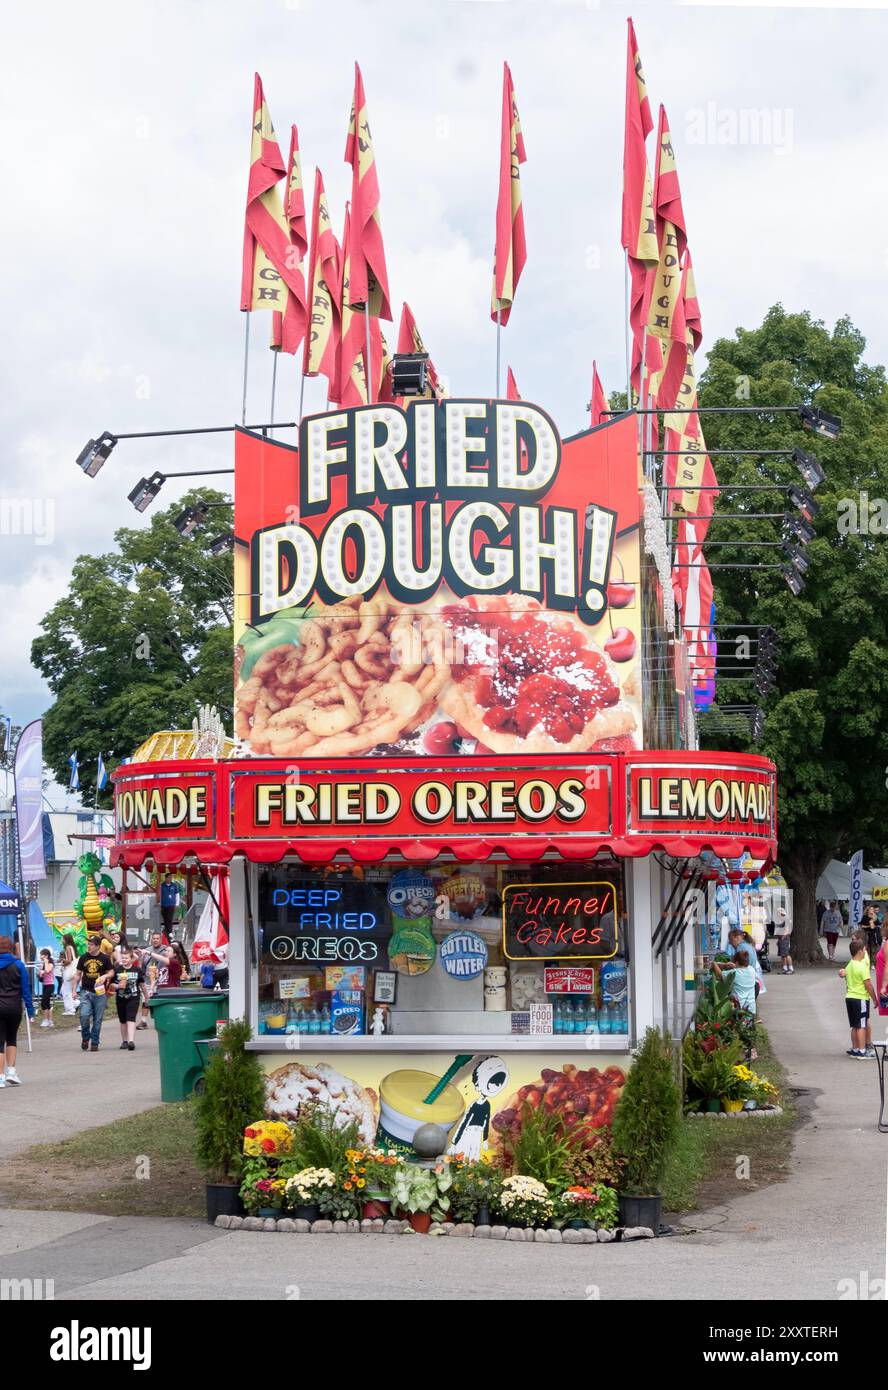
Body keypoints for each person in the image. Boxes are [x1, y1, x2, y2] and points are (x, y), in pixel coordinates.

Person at [0, 934, 34, 1086]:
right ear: (11, 947)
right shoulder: (19, 965)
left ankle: (0, 1077)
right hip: (14, 1007)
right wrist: (30, 1010)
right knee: (11, 1039)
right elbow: (26, 990)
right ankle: (11, 1071)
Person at [75, 935, 115, 1052]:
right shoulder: (83, 957)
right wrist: (74, 989)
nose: (89, 946)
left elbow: (111, 972)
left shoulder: (105, 958)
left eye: (91, 944)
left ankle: (95, 1041)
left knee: (98, 1019)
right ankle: (85, 1037)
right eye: (89, 944)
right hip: (85, 990)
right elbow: (78, 974)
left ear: (98, 946)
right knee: (84, 1015)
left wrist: (105, 976)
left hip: (100, 992)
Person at [112, 947, 147, 1051]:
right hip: (121, 997)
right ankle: (124, 1041)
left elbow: (142, 985)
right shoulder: (117, 970)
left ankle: (131, 1041)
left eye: (126, 958)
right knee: (123, 1020)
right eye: (123, 958)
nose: (124, 960)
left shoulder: (136, 970)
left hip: (134, 997)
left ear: (131, 958)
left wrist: (147, 997)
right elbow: (111, 985)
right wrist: (117, 986)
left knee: (130, 1019)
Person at [60, 933, 78, 1014]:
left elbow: (69, 960)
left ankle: (70, 1009)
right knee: (66, 989)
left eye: (62, 939)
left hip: (69, 971)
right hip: (74, 971)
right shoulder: (72, 947)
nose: (62, 940)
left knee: (66, 990)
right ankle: (75, 1003)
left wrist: (63, 962)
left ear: (66, 940)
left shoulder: (67, 947)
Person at [38, 949, 56, 1027]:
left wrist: (46, 962)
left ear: (46, 956)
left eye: (42, 954)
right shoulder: (42, 964)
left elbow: (48, 970)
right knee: (46, 1003)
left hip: (50, 985)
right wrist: (40, 974)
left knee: (44, 1002)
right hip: (45, 985)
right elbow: (41, 975)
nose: (40, 956)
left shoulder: (50, 963)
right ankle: (49, 1021)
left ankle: (46, 1020)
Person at [774, 909, 793, 975]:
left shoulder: (786, 919)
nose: (777, 914)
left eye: (778, 913)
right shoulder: (782, 919)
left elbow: (787, 929)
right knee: (783, 955)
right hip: (781, 938)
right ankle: (784, 968)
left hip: (784, 938)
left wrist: (783, 937)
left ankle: (790, 968)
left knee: (786, 954)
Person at [876, 922, 888, 1026]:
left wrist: (884, 986)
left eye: (883, 926)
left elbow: (887, 966)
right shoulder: (886, 942)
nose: (881, 928)